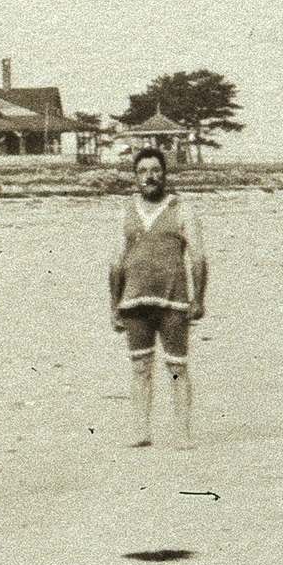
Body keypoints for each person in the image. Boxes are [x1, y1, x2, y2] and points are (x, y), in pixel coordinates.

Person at [108, 147, 207, 449]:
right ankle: (140, 430)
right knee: (140, 368)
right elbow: (115, 262)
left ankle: (182, 432)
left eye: (155, 170)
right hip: (134, 302)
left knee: (177, 368)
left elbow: (199, 258)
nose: (149, 176)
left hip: (173, 301)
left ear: (164, 173)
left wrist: (199, 299)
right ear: (135, 176)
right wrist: (114, 307)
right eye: (142, 171)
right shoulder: (124, 211)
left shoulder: (183, 209)